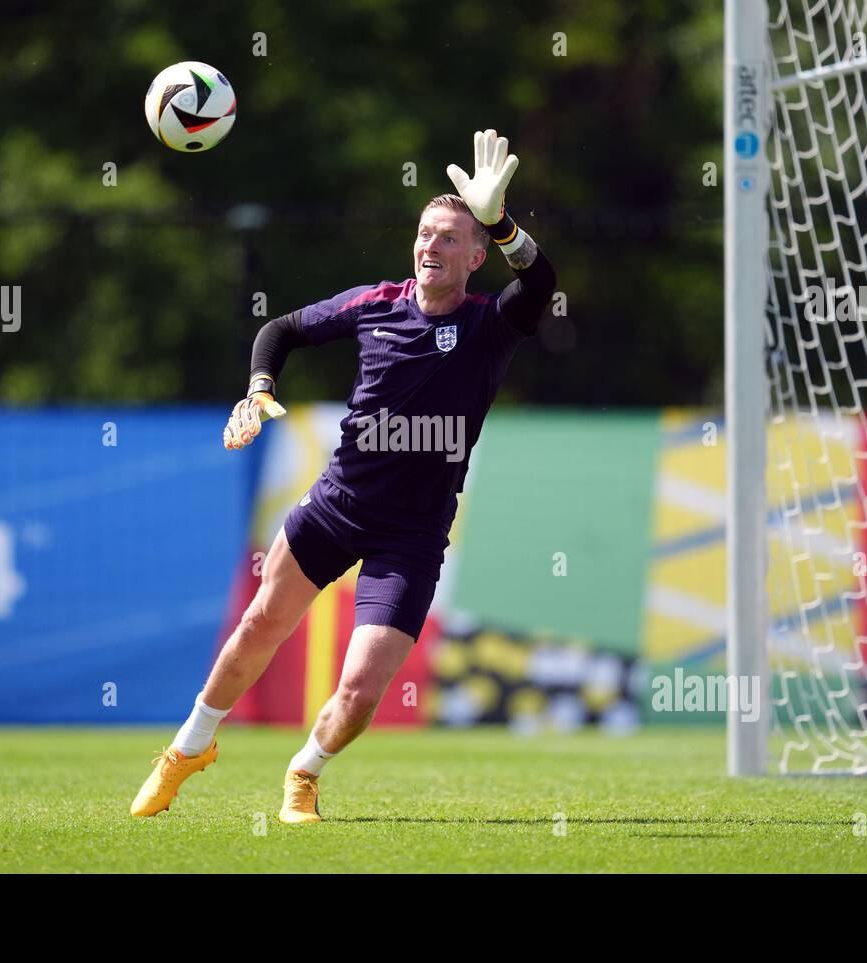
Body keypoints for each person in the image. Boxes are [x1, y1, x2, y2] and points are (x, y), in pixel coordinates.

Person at [130, 129, 556, 823]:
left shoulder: (491, 324)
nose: (431, 247)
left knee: (359, 691)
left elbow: (540, 280)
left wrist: (502, 219)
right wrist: (259, 387)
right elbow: (282, 330)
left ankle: (304, 770)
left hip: (413, 536)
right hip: (338, 506)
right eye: (425, 234)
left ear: (477, 257)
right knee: (261, 623)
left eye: (450, 238)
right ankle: (187, 748)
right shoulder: (376, 303)